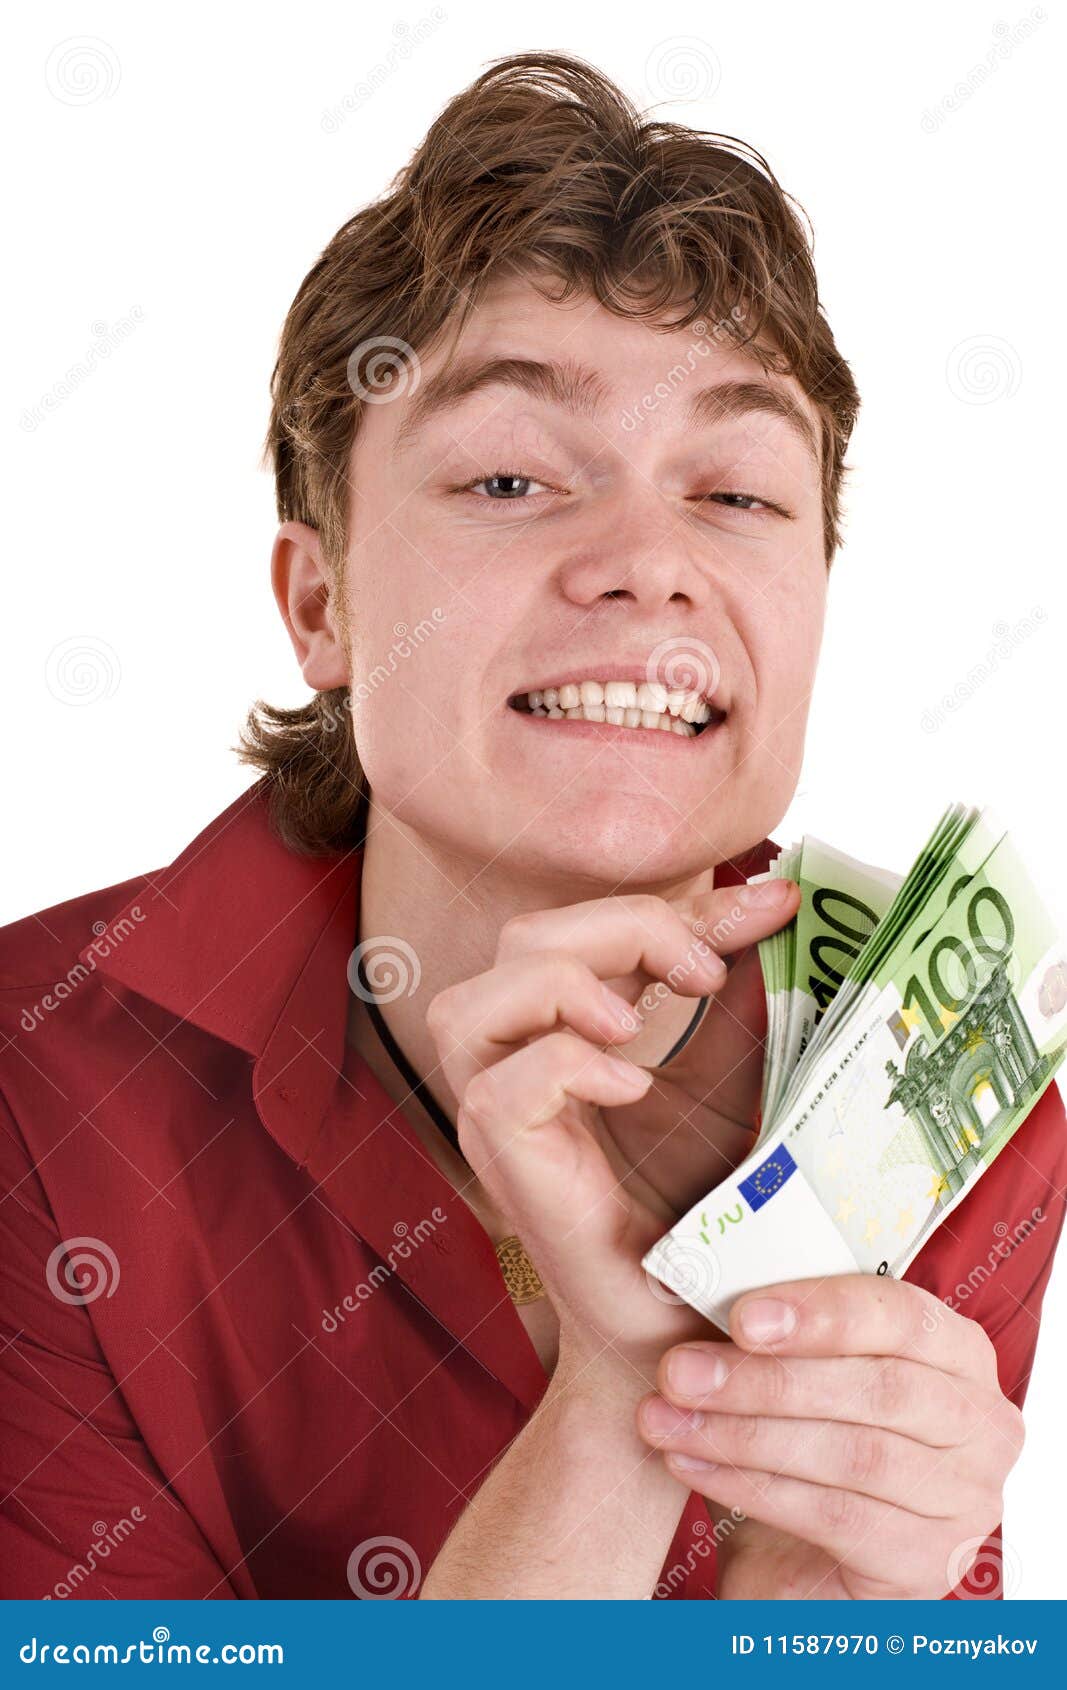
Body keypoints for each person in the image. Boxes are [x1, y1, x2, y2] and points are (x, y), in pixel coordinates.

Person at [2, 50, 1063, 1603]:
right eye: (510, 475)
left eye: (737, 494)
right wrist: (622, 1399)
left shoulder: (956, 1108)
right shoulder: (38, 1092)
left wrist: (850, 1607)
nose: (647, 563)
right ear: (320, 603)